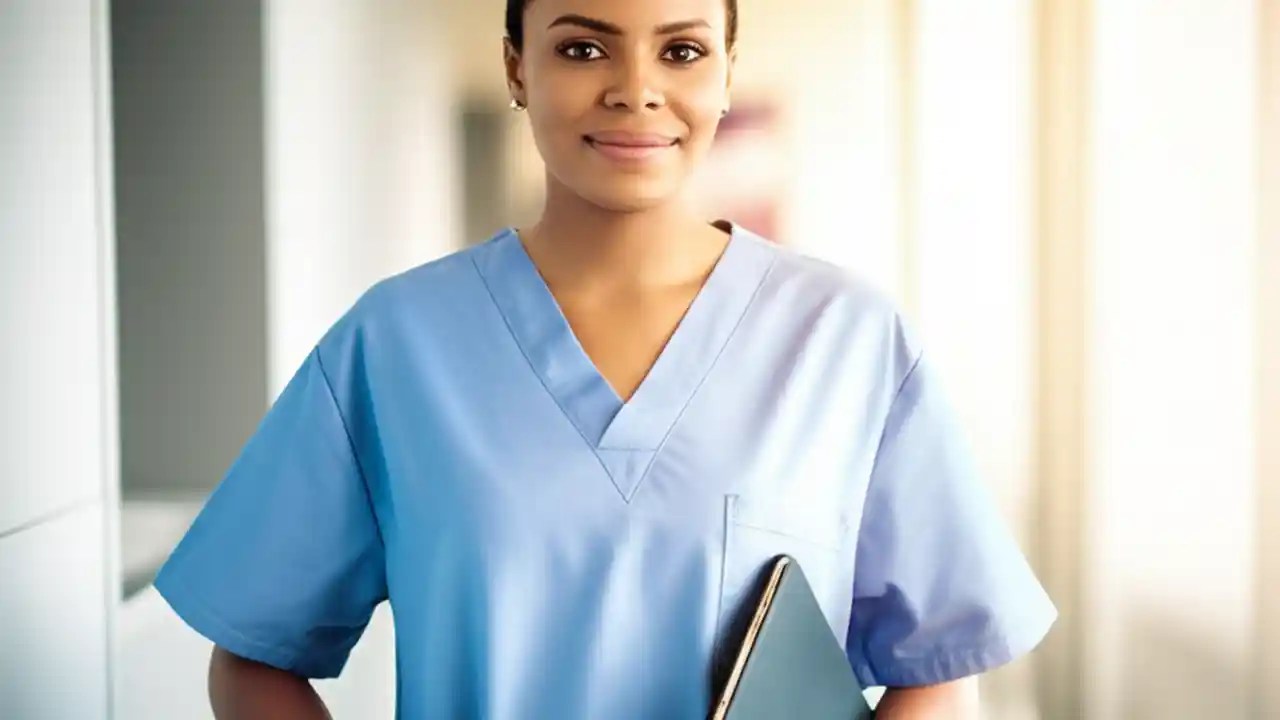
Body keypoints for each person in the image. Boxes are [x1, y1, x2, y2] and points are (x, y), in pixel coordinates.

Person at [154, 0, 1057, 717]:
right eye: (584, 49)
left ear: (728, 69)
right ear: (518, 65)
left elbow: (937, 669)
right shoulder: (395, 345)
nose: (635, 89)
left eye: (683, 50)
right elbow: (253, 660)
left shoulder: (849, 339)